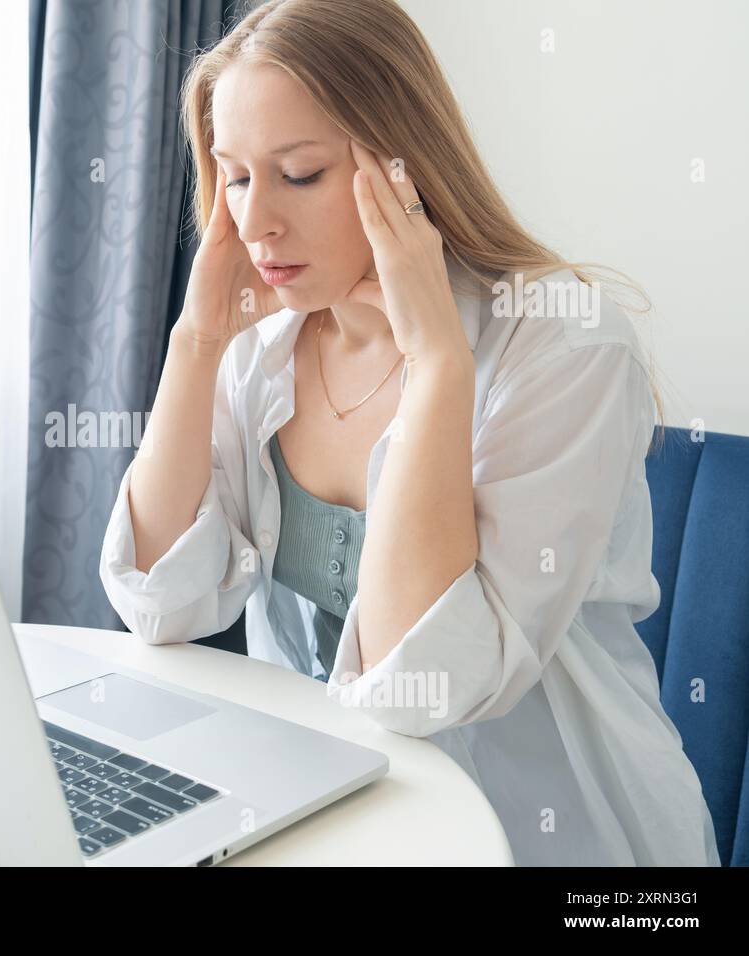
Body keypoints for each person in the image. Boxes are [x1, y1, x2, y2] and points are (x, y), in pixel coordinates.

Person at [98, 0, 720, 866]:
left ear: (405, 165)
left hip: (566, 847)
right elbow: (162, 604)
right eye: (236, 176)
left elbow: (422, 686)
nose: (255, 220)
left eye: (301, 173)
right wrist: (195, 342)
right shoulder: (263, 350)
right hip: (341, 828)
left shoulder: (563, 347)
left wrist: (435, 364)